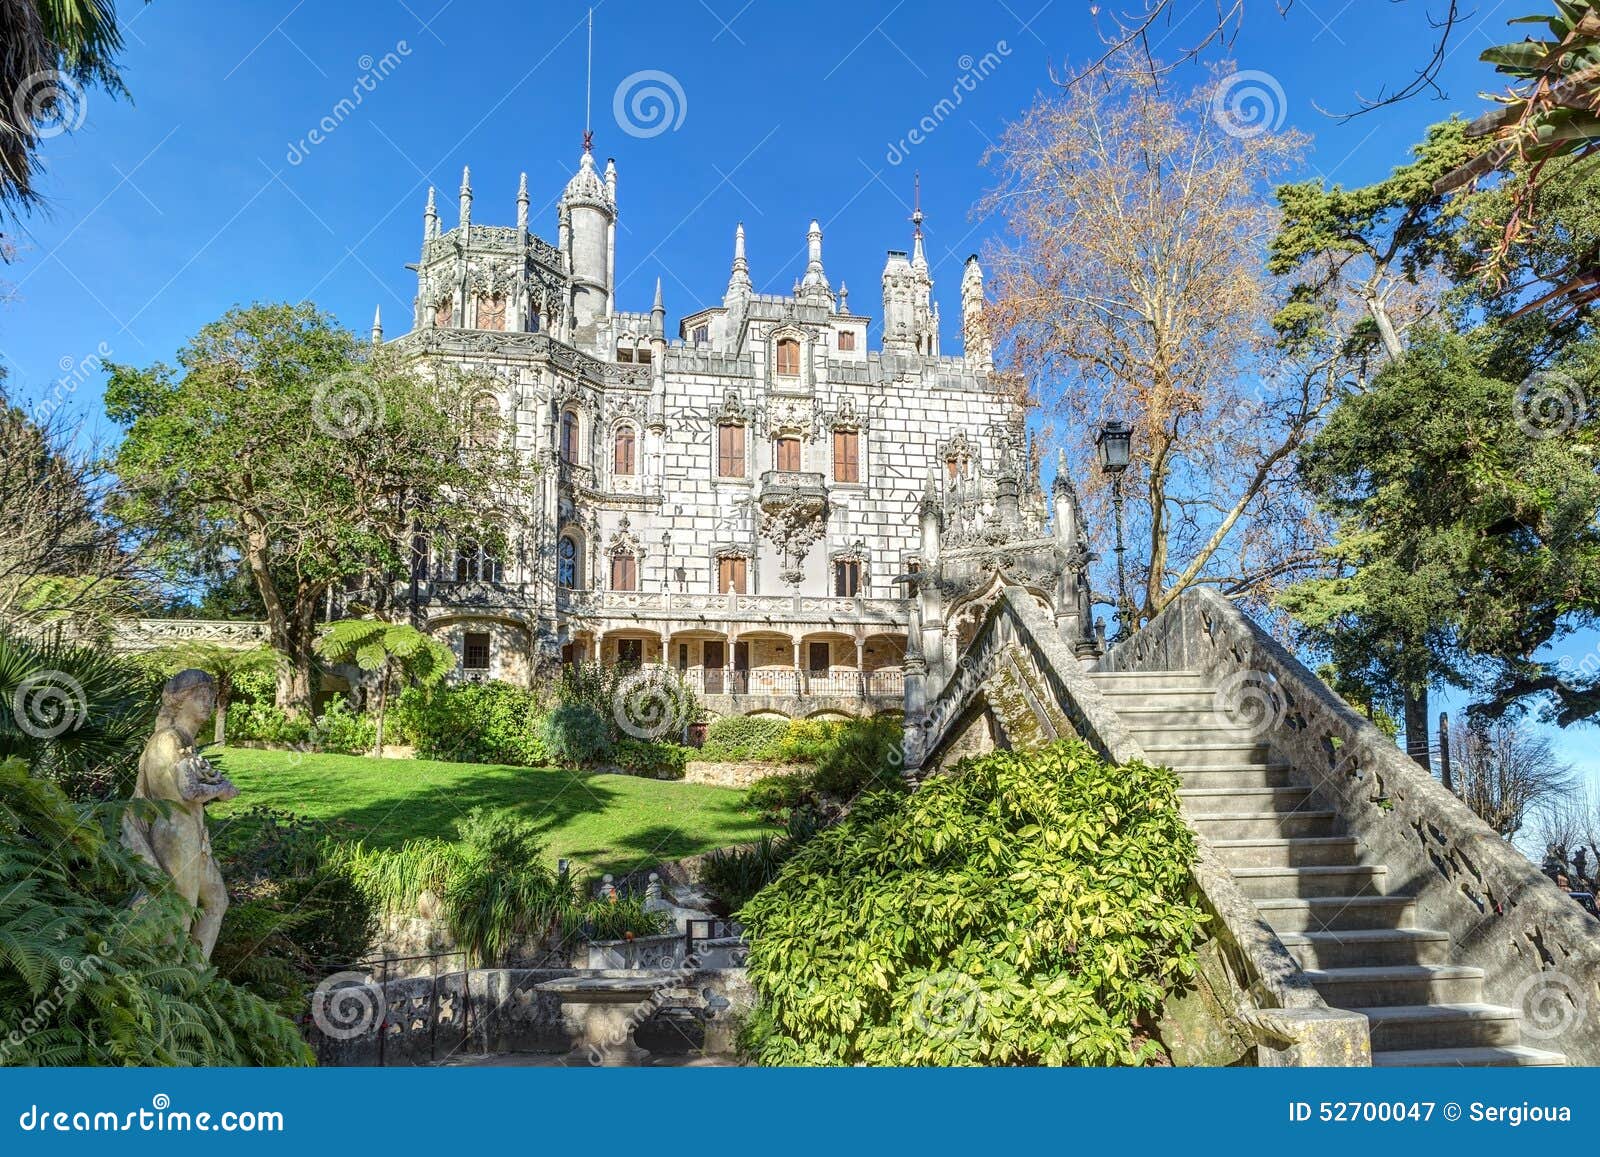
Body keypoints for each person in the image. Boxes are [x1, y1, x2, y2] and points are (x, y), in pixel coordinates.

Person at [121, 669, 239, 959]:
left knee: (216, 902)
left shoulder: (186, 741)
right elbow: (190, 791)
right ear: (179, 701)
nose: (207, 703)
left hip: (193, 833)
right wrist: (222, 788)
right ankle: (169, 984)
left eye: (210, 697)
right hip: (174, 831)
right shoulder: (169, 739)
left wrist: (215, 785)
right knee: (179, 912)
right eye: (199, 696)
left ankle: (194, 976)